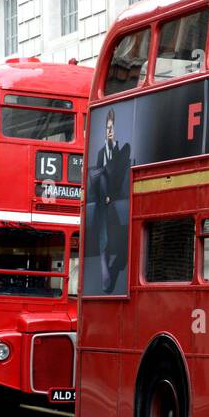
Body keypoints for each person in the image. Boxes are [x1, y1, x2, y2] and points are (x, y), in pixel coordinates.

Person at [89, 110, 131, 294]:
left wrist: (102, 173)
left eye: (112, 128)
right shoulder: (99, 152)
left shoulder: (123, 149)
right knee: (99, 179)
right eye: (107, 129)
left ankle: (105, 263)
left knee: (104, 177)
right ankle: (104, 262)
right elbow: (94, 178)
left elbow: (117, 172)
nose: (110, 132)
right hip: (101, 199)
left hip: (111, 196)